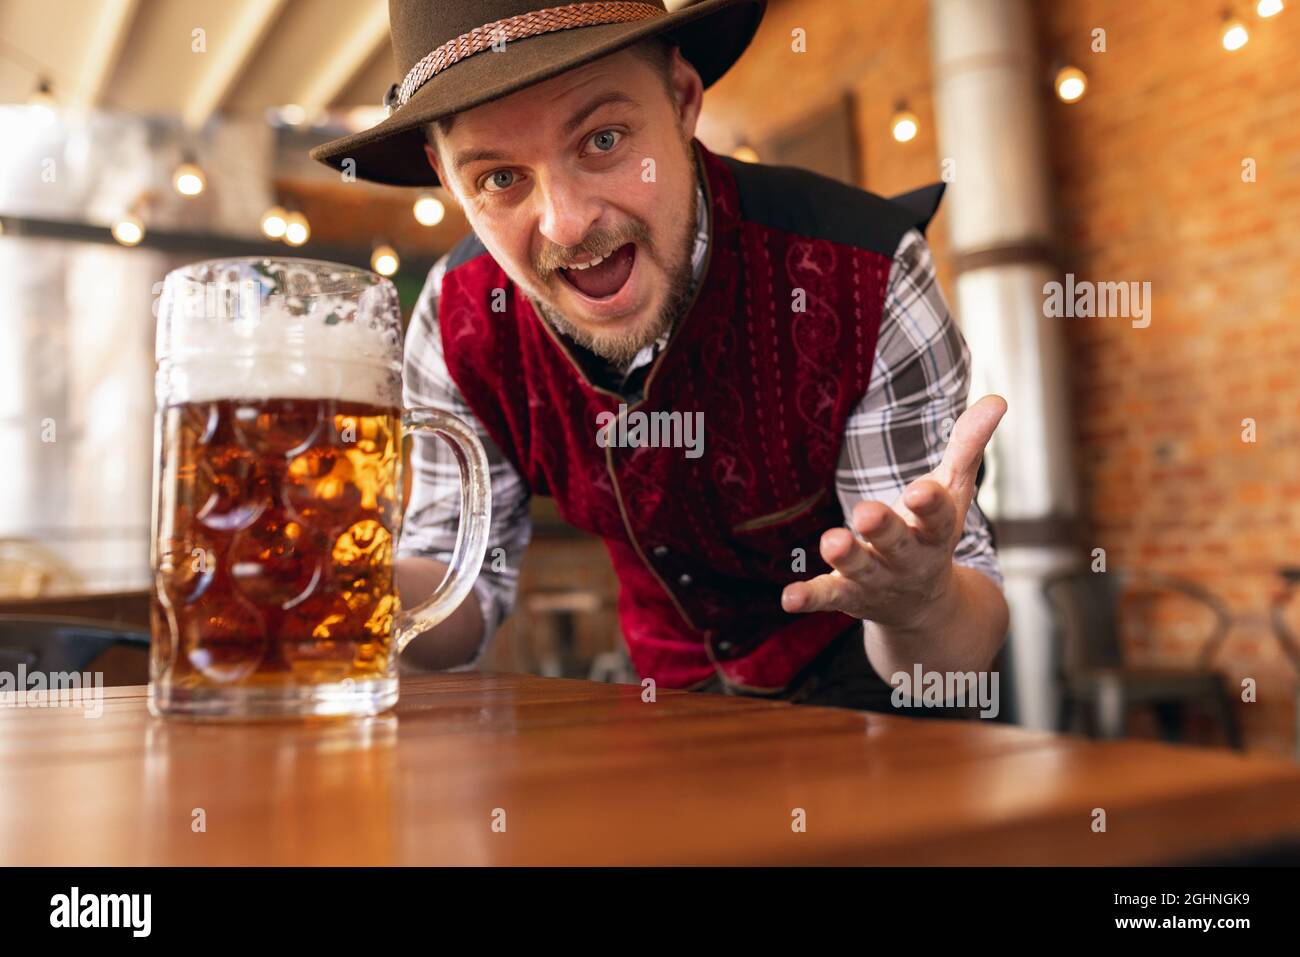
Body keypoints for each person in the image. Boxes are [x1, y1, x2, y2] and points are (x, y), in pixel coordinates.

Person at [311, 0, 1009, 713]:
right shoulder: (457, 323)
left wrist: (921, 604)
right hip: (667, 712)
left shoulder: (867, 274)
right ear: (446, 178)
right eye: (498, 178)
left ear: (682, 100)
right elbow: (456, 599)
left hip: (886, 712)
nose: (566, 221)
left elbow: (952, 651)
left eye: (603, 139)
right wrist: (342, 576)